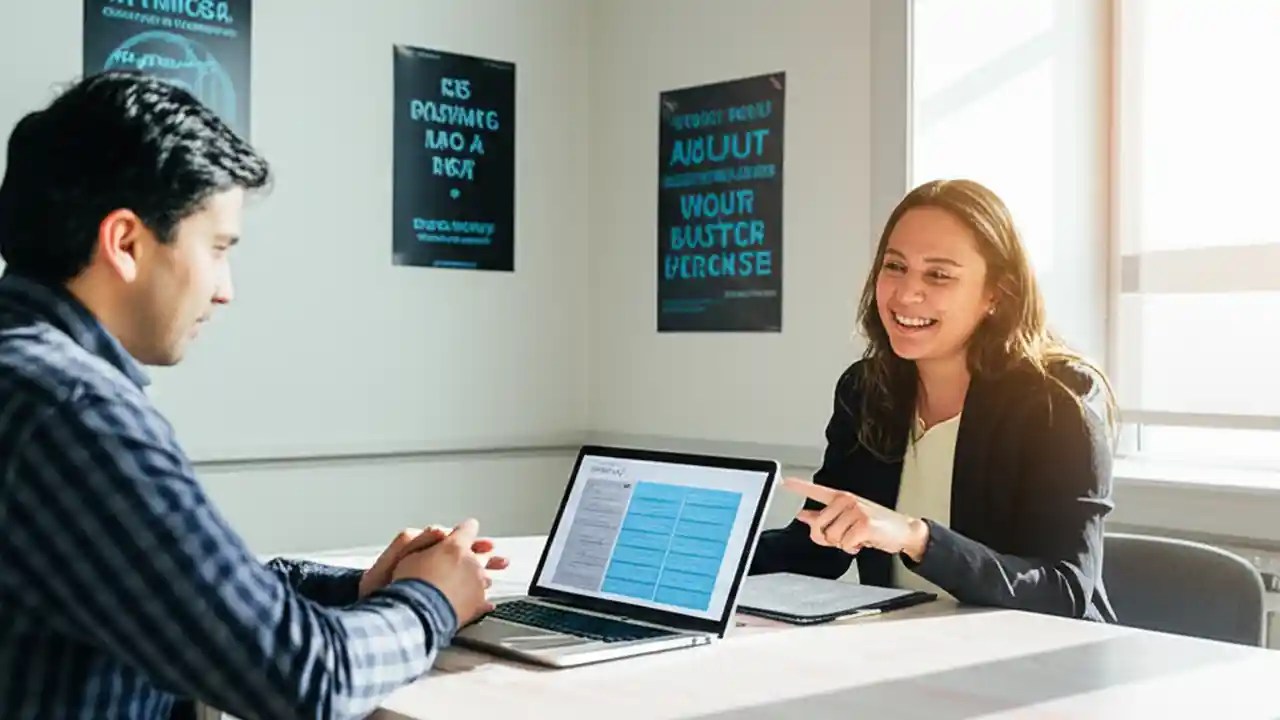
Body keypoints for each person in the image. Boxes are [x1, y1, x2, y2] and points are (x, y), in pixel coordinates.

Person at [0, 71, 506, 720]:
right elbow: (307, 679)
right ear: (125, 242)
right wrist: (432, 602)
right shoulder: (73, 412)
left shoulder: (28, 380)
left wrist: (361, 589)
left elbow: (181, 597)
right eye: (217, 249)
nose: (225, 290)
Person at [750, 179, 1118, 622]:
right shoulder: (866, 390)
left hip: (1038, 652)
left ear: (996, 293)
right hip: (908, 646)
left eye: (939, 275)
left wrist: (916, 538)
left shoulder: (1060, 401)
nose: (906, 294)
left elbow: (1065, 590)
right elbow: (818, 549)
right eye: (895, 266)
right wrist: (705, 551)